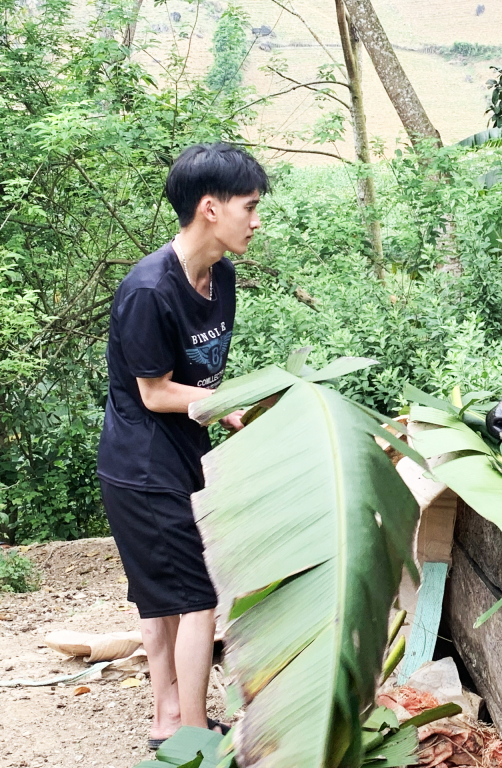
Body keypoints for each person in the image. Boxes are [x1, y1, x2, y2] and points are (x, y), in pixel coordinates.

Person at [96, 143, 269, 750]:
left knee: (163, 596)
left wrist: (232, 415)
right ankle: (191, 730)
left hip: (185, 454)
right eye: (249, 207)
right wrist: (228, 407)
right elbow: (154, 393)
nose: (256, 219)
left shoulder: (219, 276)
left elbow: (200, 380)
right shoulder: (148, 290)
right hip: (142, 465)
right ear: (209, 208)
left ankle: (168, 718)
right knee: (195, 596)